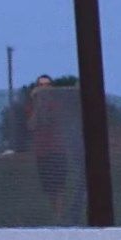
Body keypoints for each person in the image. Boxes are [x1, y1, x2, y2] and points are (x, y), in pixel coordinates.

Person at [26, 74, 68, 221]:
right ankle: (54, 213)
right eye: (41, 85)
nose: (44, 88)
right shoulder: (32, 107)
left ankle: (59, 214)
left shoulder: (57, 104)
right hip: (42, 152)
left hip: (57, 150)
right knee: (48, 186)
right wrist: (38, 105)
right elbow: (31, 125)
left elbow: (57, 121)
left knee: (59, 185)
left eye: (47, 85)